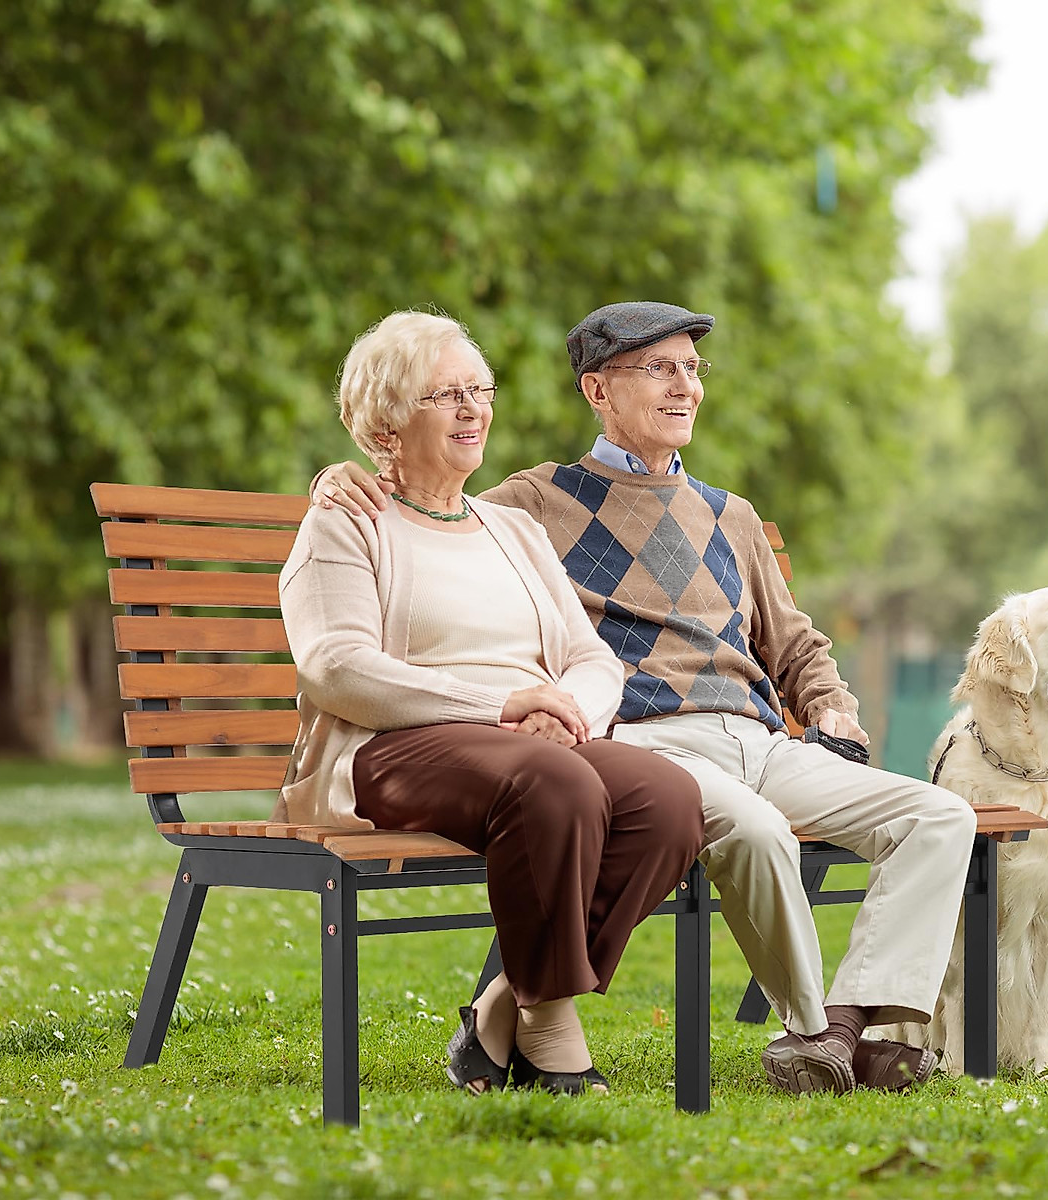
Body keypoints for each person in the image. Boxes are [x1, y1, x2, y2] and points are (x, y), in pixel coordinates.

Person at [311, 301, 978, 1096]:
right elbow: (426, 497)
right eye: (660, 368)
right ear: (598, 390)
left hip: (759, 738)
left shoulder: (732, 516)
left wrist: (832, 704)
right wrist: (339, 472)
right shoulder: (537, 501)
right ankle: (813, 1035)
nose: (685, 388)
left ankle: (843, 1025)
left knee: (942, 816)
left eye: (692, 369)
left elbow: (795, 642)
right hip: (644, 736)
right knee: (751, 831)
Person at [278, 310, 704, 1097]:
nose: (475, 408)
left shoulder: (512, 529)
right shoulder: (346, 521)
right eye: (448, 395)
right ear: (389, 416)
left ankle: (504, 1003)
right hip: (394, 746)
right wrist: (503, 705)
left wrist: (563, 708)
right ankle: (552, 1026)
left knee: (669, 797)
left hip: (531, 741)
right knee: (557, 783)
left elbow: (589, 656)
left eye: (481, 390)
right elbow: (336, 667)